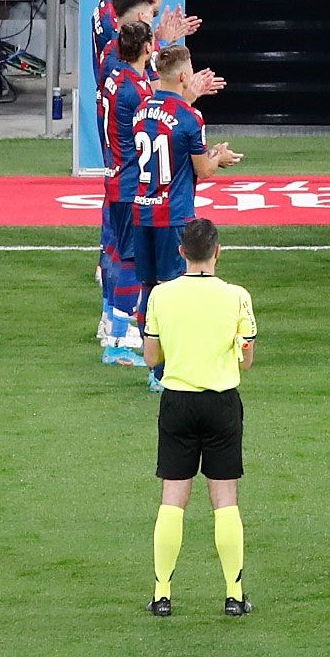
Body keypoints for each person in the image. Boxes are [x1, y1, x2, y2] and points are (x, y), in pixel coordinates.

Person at [141, 218, 257, 618]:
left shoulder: (161, 296)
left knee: (173, 499)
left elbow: (152, 357)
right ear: (217, 252)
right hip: (222, 404)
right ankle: (234, 594)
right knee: (224, 500)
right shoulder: (237, 297)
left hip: (177, 403)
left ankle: (162, 594)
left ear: (181, 253)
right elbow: (247, 359)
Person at [133, 46, 245, 390]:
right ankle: (166, 372)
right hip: (173, 215)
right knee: (173, 292)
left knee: (149, 289)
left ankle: (152, 366)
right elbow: (203, 170)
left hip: (142, 210)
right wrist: (219, 157)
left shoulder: (141, 110)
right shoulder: (190, 117)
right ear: (183, 76)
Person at [99, 21, 156, 368]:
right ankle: (118, 340)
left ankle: (114, 326)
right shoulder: (137, 90)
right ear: (147, 48)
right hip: (131, 183)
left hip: (116, 176)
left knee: (121, 255)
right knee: (132, 260)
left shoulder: (115, 77)